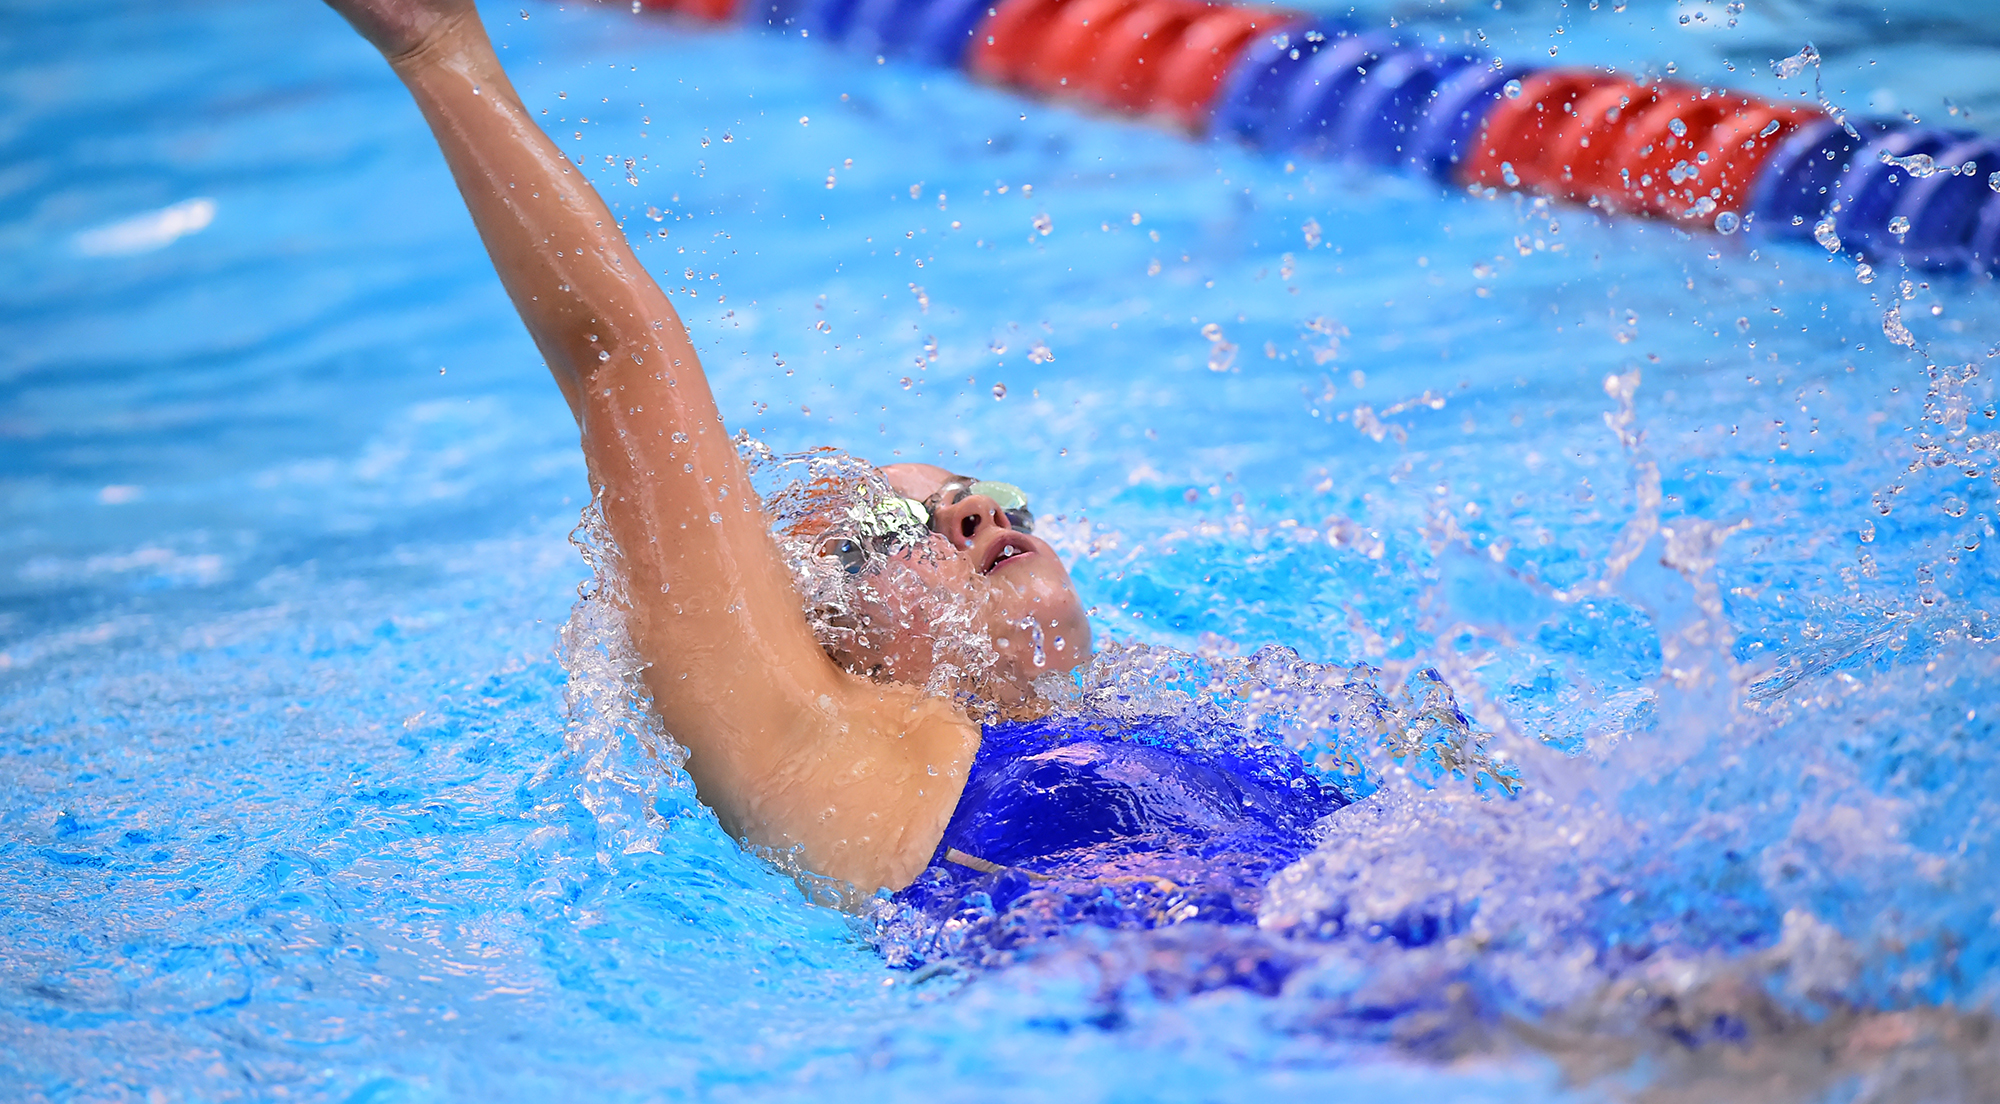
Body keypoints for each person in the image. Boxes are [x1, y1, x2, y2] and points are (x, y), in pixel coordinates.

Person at [321, 0, 1343, 920]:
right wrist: (439, 48)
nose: (976, 517)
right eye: (888, 531)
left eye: (977, 494)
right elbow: (616, 356)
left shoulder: (1197, 715)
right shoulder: (835, 754)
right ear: (821, 640)